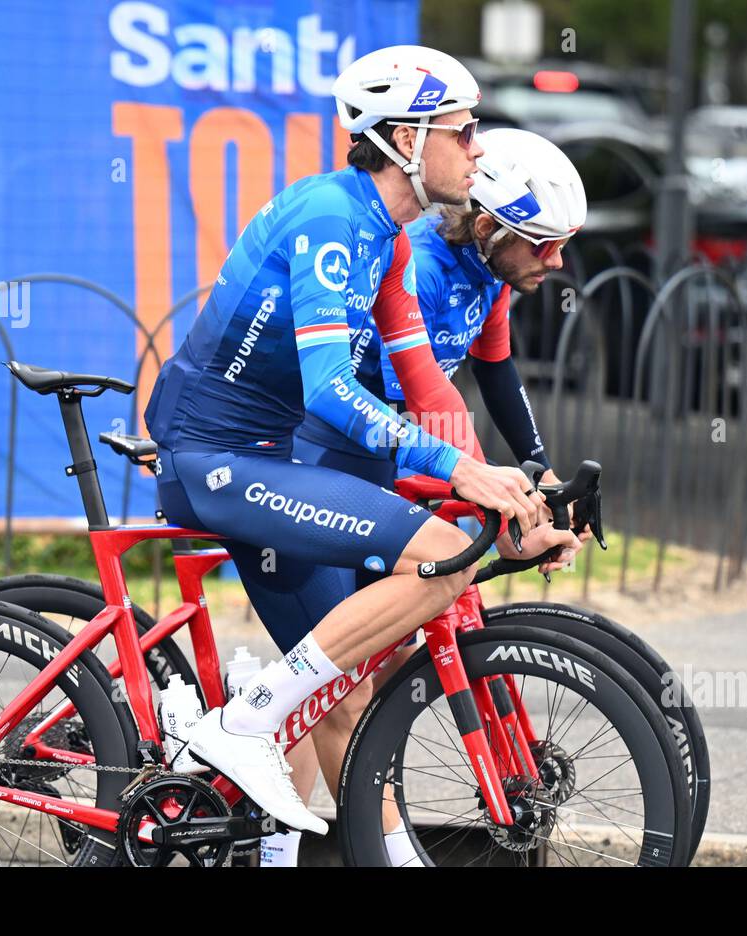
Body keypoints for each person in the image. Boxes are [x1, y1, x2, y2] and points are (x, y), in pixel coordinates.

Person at [143, 45, 582, 838]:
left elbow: (430, 390)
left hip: (260, 459)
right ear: (408, 141)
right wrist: (460, 475)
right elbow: (331, 395)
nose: (479, 149)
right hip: (215, 462)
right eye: (465, 130)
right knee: (442, 554)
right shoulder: (331, 220)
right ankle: (243, 724)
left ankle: (306, 808)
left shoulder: (394, 238)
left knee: (345, 693)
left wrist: (510, 492)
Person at [279, 128, 590, 862]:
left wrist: (538, 472)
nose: (557, 260)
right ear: (487, 226)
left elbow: (497, 375)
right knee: (341, 691)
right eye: (542, 244)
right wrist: (488, 488)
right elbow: (396, 407)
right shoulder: (415, 264)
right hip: (329, 462)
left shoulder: (489, 273)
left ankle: (273, 840)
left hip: (386, 462)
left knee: (344, 680)